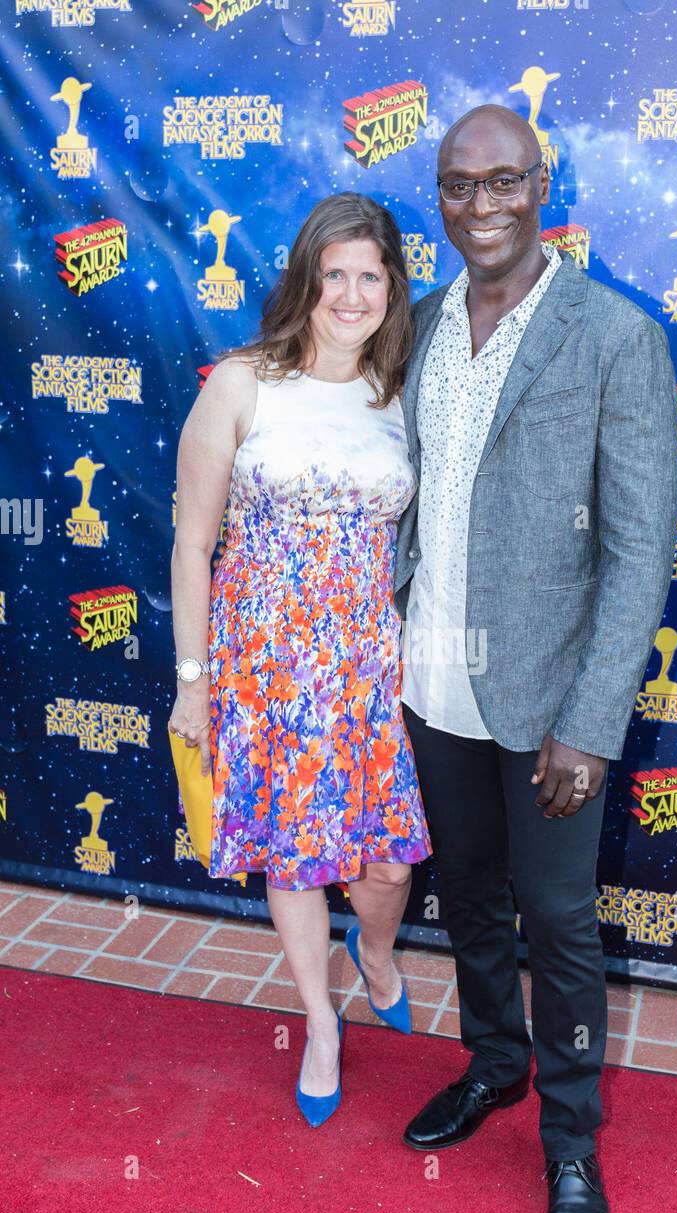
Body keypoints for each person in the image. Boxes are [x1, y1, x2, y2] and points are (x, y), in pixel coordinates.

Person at [393, 106, 677, 1213]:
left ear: (540, 182)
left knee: (558, 926)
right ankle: (493, 1066)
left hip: (551, 704)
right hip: (429, 680)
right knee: (464, 891)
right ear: (441, 198)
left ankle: (569, 1140)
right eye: (458, 187)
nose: (481, 205)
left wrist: (590, 724)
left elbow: (638, 547)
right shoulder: (414, 326)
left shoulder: (615, 336)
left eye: (502, 181)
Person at [169, 193, 432, 1128]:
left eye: (372, 276)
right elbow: (191, 545)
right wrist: (193, 686)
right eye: (336, 276)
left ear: (392, 288)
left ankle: (379, 954)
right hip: (265, 670)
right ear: (305, 283)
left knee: (386, 871)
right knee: (293, 859)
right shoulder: (243, 383)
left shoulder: (401, 393)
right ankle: (321, 1023)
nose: (353, 295)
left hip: (367, 670)